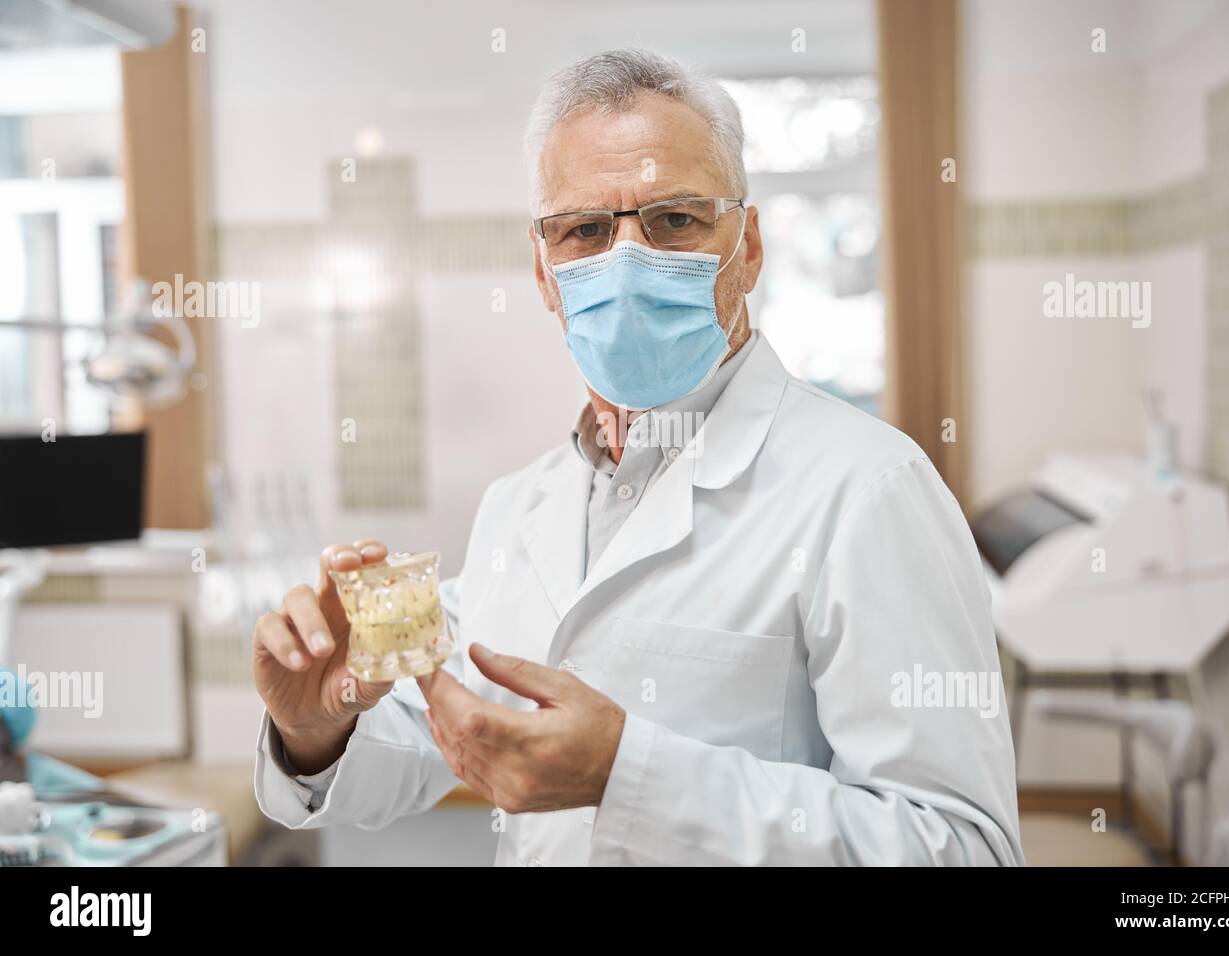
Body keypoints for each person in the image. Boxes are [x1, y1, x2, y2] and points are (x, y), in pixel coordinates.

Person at [252, 48, 1023, 866]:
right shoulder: (518, 507)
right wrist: (316, 726)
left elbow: (963, 849)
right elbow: (439, 735)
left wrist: (630, 774)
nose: (626, 262)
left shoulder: (869, 490)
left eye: (675, 220)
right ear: (544, 274)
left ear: (748, 248)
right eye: (585, 230)